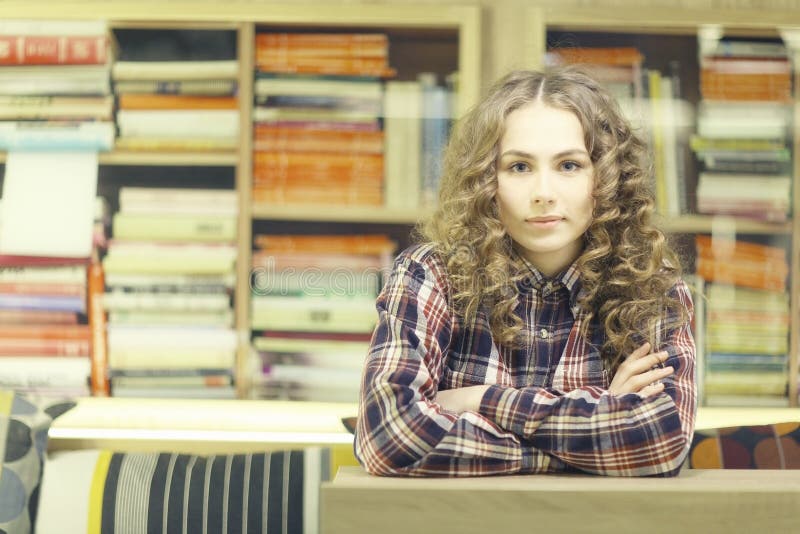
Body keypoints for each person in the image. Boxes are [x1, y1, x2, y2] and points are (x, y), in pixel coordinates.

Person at [355, 67, 696, 477]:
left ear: (606, 177)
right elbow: (388, 437)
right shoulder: (429, 273)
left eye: (569, 166)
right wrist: (592, 423)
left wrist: (479, 399)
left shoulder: (653, 287)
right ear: (486, 181)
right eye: (519, 167)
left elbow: (661, 443)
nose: (543, 193)